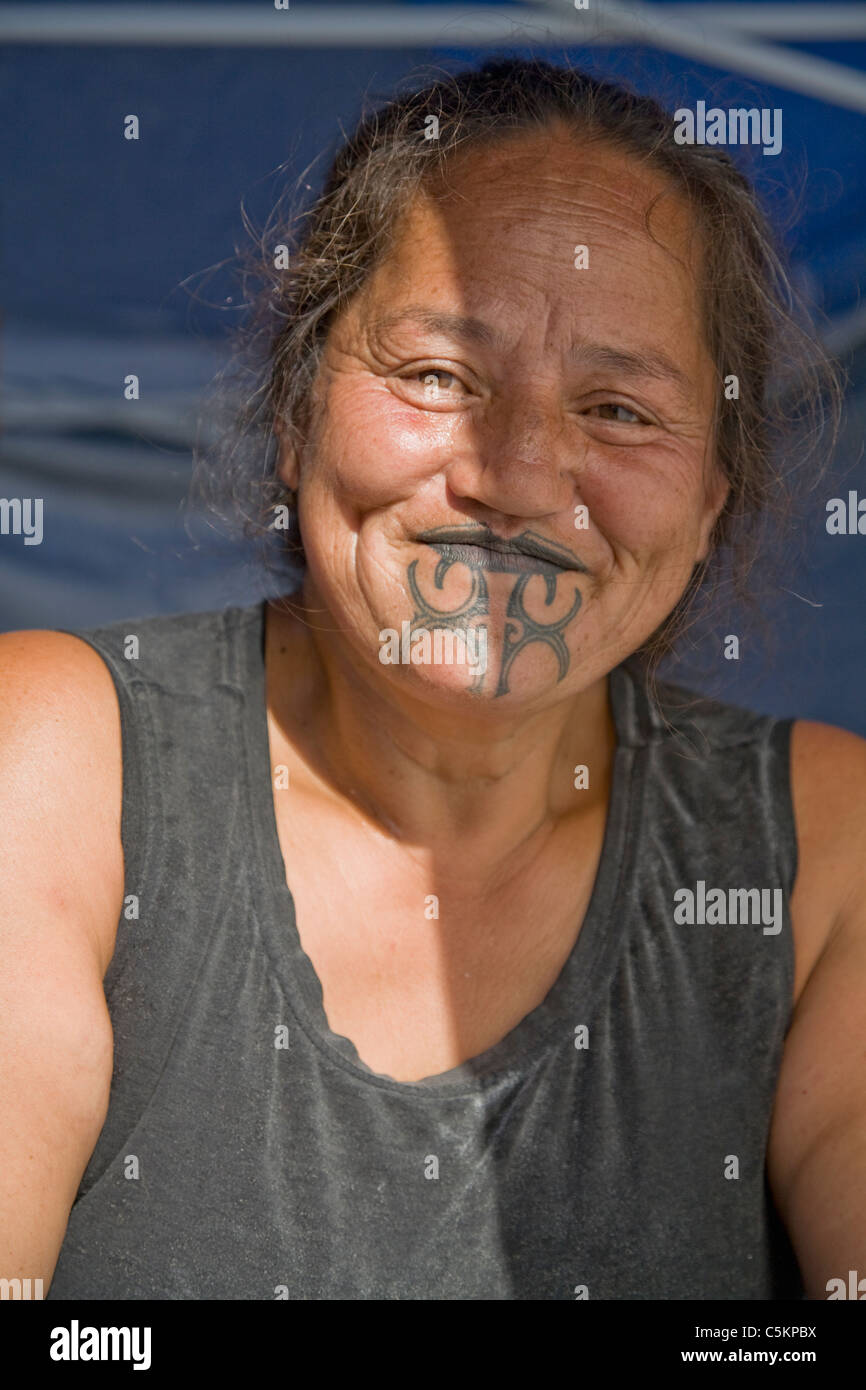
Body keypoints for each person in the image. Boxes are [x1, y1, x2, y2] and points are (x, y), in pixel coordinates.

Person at [2, 58, 863, 1301]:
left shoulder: (819, 852)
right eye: (437, 378)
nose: (514, 476)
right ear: (297, 411)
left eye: (617, 411)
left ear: (711, 498)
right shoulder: (56, 764)